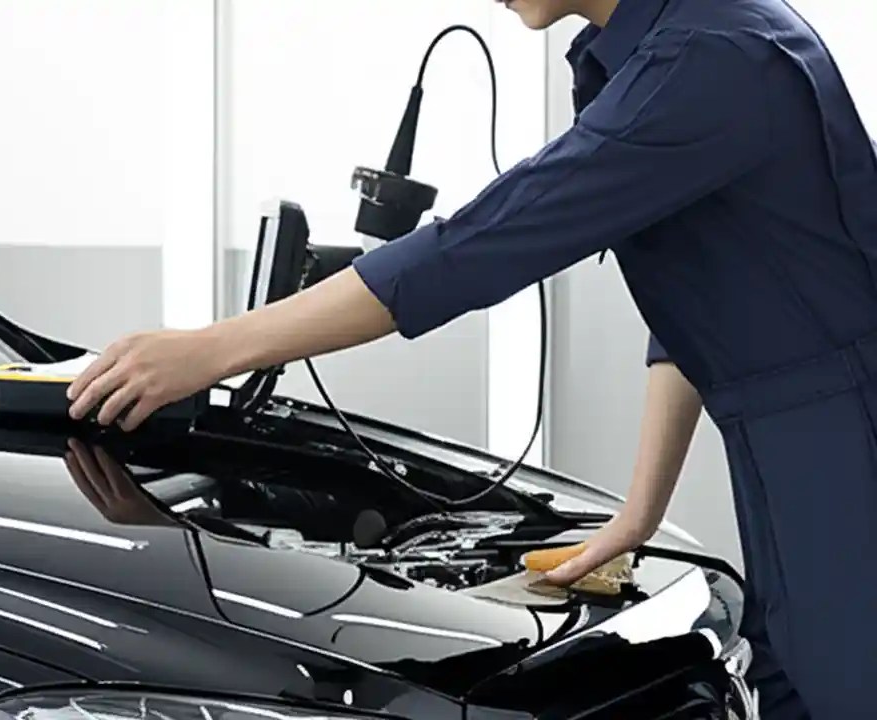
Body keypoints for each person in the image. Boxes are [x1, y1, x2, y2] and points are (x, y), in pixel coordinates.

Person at [67, 0, 877, 715]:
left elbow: (480, 245)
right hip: (786, 438)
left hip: (842, 434)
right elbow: (697, 303)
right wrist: (635, 516)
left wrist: (213, 349)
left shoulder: (707, 58)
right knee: (794, 684)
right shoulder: (651, 50)